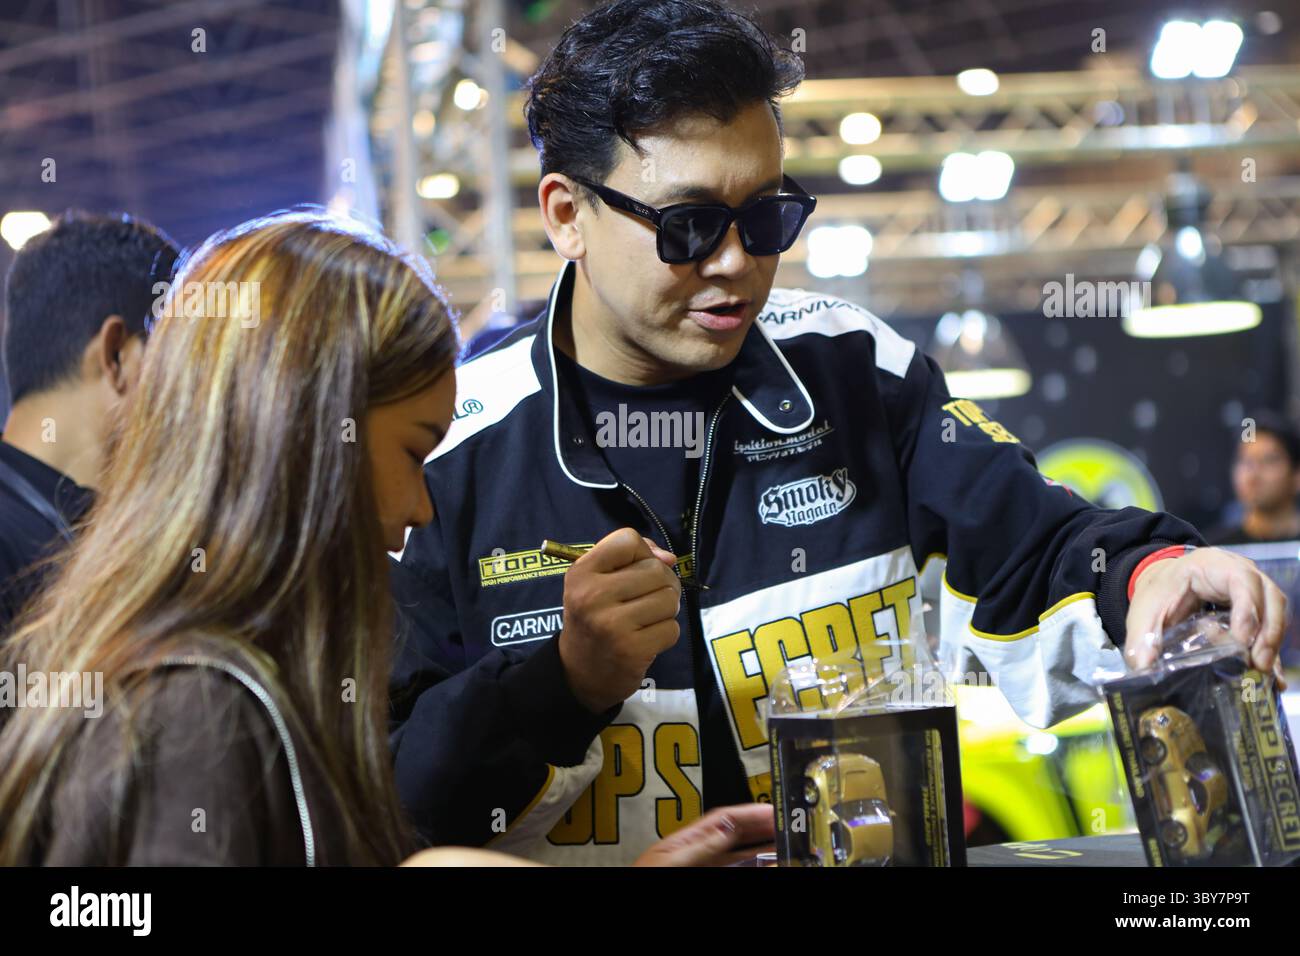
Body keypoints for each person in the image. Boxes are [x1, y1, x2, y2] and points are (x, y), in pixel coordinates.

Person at [388, 0, 1288, 865]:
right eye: (689, 225)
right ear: (564, 216)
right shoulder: (446, 452)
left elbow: (1037, 546)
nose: (737, 261)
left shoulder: (856, 371)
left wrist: (1151, 572)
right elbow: (389, 799)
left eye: (767, 215)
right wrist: (562, 682)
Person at [0, 211, 771, 866]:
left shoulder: (218, 680)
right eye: (411, 453)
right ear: (303, 434)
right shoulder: (197, 712)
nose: (420, 508)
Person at [0, 212, 180, 633]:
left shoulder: (99, 534)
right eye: (180, 361)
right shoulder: (21, 541)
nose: (192, 399)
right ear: (117, 356)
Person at [1204, 410, 1300, 546]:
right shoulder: (1218, 552)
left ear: (1296, 475)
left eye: (1268, 460)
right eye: (1245, 461)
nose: (1253, 474)